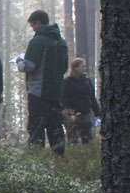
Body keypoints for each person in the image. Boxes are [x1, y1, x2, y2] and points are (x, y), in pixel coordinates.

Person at [17, 10, 68, 154]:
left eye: (33, 26)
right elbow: (63, 68)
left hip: (38, 93)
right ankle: (59, 157)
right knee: (56, 127)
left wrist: (20, 61)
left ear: (38, 23)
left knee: (36, 127)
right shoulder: (61, 42)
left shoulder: (38, 41)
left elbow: (30, 65)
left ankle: (36, 160)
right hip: (56, 93)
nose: (33, 29)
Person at [61, 57, 100, 144]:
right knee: (73, 139)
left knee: (88, 139)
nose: (85, 68)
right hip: (72, 116)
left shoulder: (87, 81)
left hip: (86, 114)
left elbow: (92, 98)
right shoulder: (67, 82)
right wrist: (70, 113)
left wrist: (98, 113)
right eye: (82, 66)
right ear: (75, 68)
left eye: (85, 66)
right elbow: (64, 99)